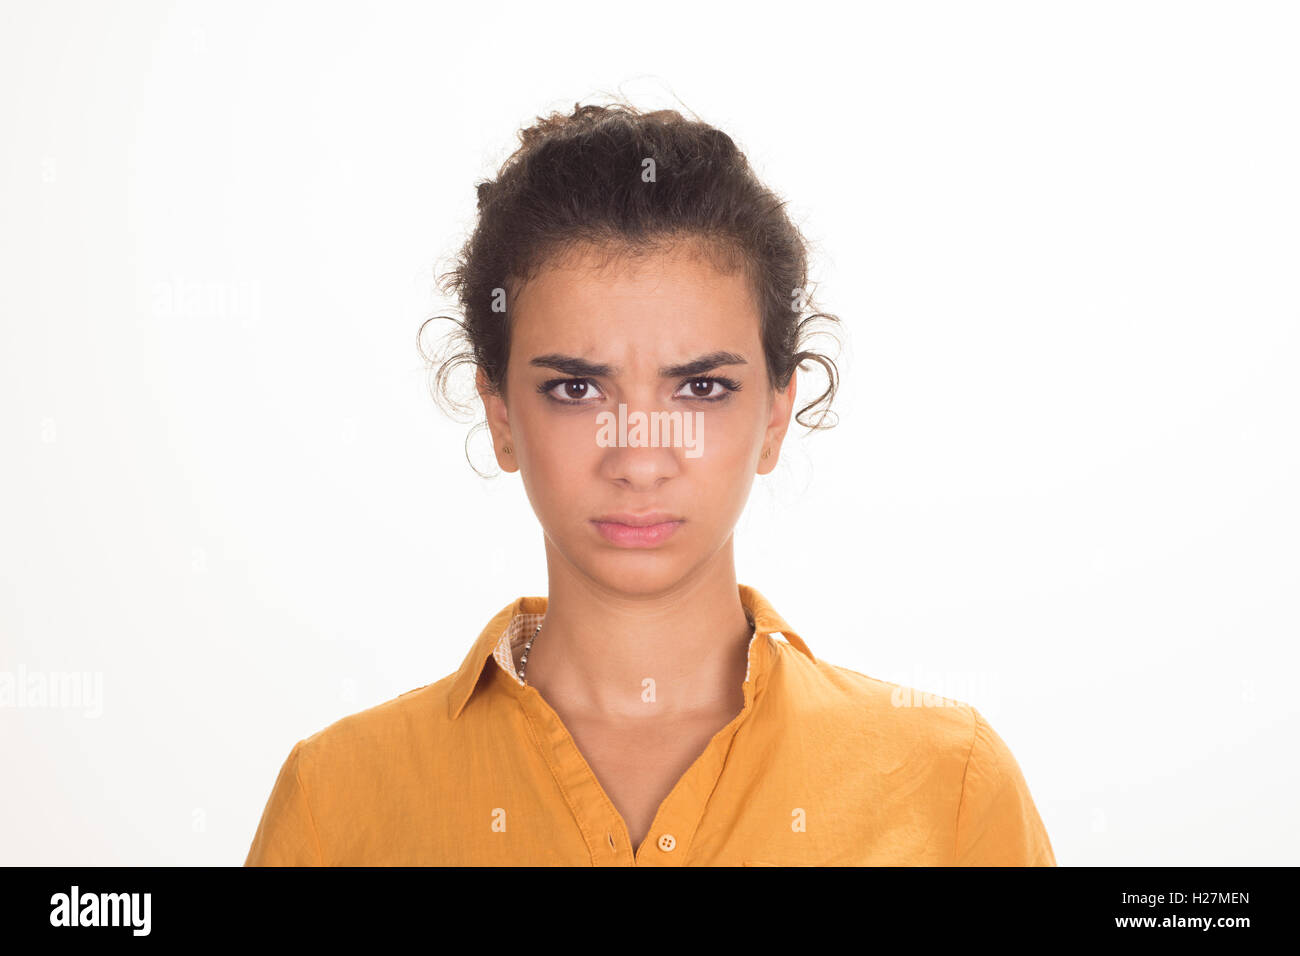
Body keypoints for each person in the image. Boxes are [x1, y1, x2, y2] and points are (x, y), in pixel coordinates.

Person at [244, 100, 1055, 866]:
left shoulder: (947, 787)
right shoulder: (339, 800)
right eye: (576, 388)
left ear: (776, 417)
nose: (638, 456)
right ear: (499, 415)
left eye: (700, 389)